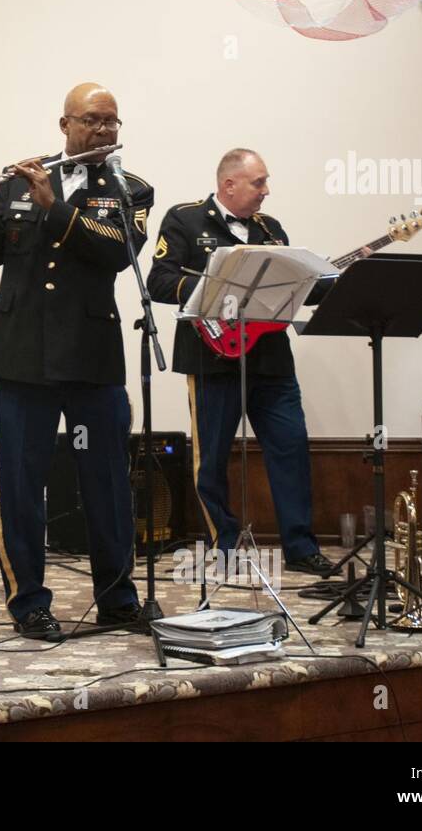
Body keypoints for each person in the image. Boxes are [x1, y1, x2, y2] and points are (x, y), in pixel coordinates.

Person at [0, 82, 153, 640]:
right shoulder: (18, 180)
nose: (103, 131)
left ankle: (118, 598)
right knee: (22, 484)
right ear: (64, 124)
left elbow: (118, 252)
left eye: (112, 122)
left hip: (92, 357)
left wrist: (55, 207)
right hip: (21, 356)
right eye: (92, 120)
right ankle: (29, 604)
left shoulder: (128, 189)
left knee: (108, 482)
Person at [146, 148, 336, 576]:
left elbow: (299, 290)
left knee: (290, 448)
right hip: (210, 357)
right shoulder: (184, 219)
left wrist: (343, 273)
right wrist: (216, 289)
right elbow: (159, 280)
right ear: (229, 184)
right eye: (259, 182)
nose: (266, 192)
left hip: (271, 359)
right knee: (210, 456)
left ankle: (301, 548)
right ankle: (224, 546)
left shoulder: (272, 229)